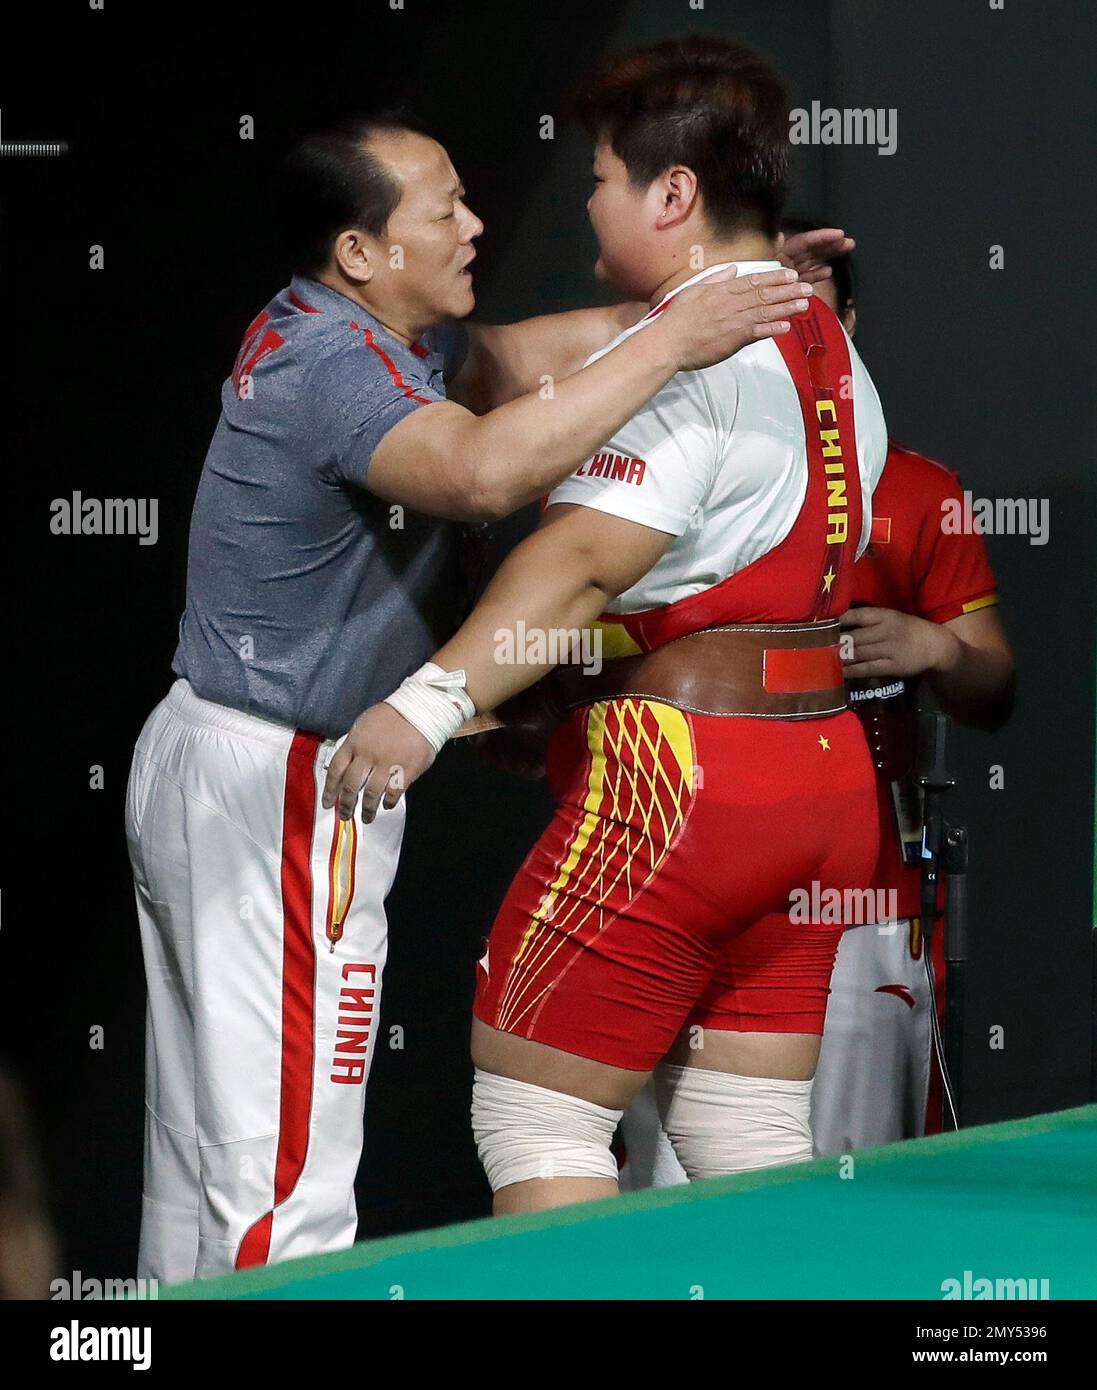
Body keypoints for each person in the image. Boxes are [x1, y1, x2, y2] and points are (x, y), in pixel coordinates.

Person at [123, 106, 816, 1282]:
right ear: (361, 251)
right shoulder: (339, 367)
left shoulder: (355, 327)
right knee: (285, 1169)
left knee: (206, 1153)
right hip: (285, 782)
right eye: (442, 209)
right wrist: (673, 343)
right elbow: (481, 472)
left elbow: (516, 360)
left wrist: (730, 291)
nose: (474, 222)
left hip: (215, 753)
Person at [323, 36, 889, 1213]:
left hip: (686, 783)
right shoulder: (826, 341)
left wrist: (425, 706)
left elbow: (578, 561)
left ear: (670, 194)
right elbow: (546, 374)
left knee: (538, 1116)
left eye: (599, 177)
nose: (583, 197)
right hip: (822, 783)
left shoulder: (683, 363)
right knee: (745, 1133)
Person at [617, 221, 1016, 1191]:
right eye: (765, 300)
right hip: (667, 874)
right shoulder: (669, 464)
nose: (792, 327)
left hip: (857, 905)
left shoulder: (918, 491)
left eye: (812, 305)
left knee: (838, 1196)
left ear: (850, 325)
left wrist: (931, 648)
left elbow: (991, 686)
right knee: (663, 1202)